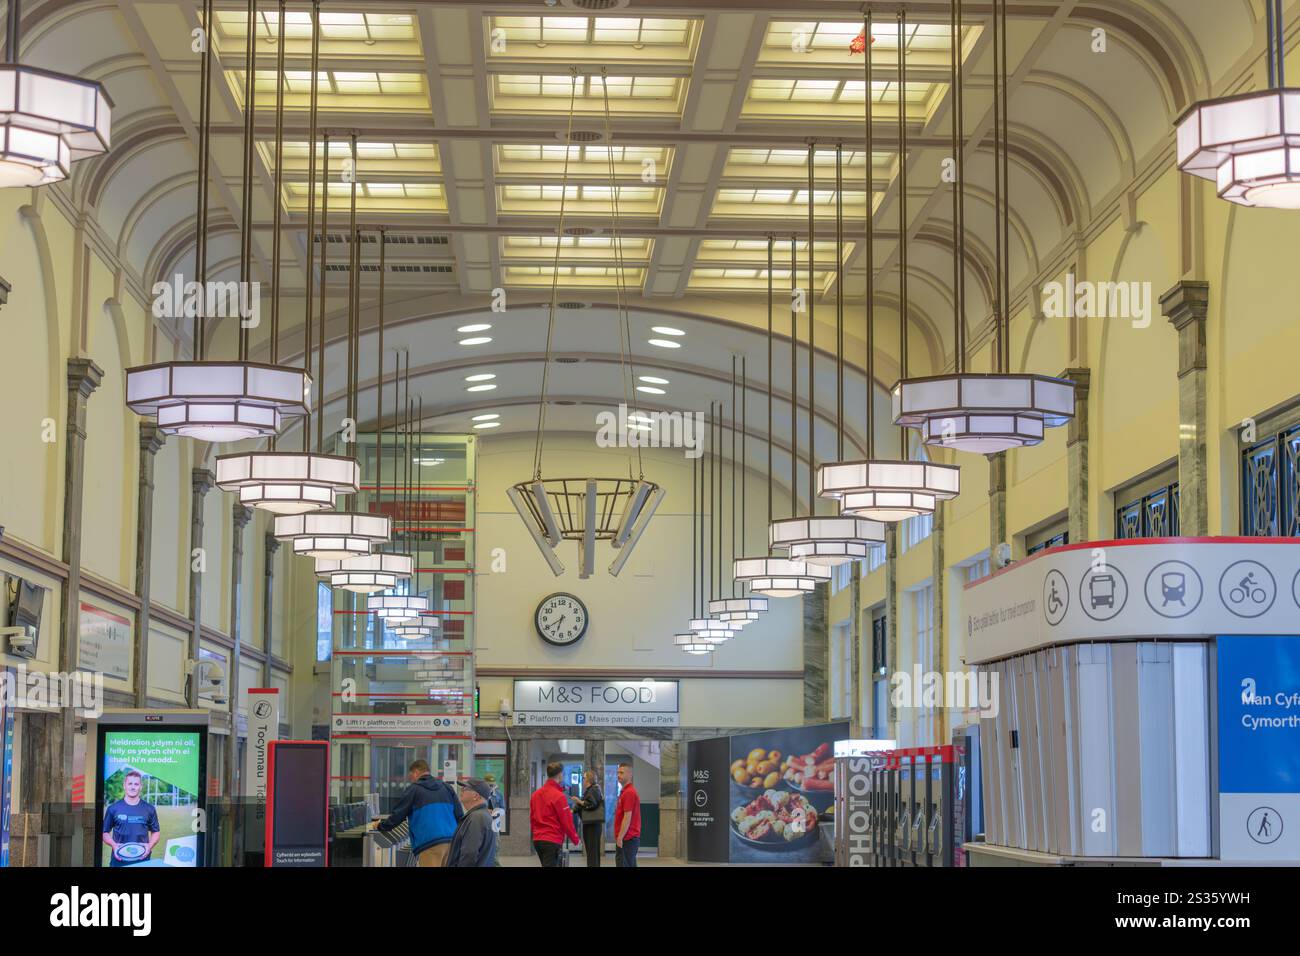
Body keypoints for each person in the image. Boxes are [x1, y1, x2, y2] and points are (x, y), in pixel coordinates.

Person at [374, 759, 463, 867]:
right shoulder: (447, 788)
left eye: (410, 775)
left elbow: (398, 815)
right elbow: (459, 815)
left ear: (416, 772)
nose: (411, 779)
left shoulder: (414, 790)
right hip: (451, 841)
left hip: (430, 842)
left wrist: (381, 826)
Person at [102, 769, 161, 867]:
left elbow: (156, 832)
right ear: (124, 786)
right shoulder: (113, 809)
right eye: (130, 784)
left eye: (136, 784)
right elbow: (104, 833)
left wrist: (149, 846)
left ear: (140, 787)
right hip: (119, 860)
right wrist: (114, 845)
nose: (133, 787)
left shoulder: (149, 809)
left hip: (143, 860)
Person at [529, 761, 579, 867]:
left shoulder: (535, 795)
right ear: (560, 774)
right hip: (552, 840)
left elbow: (532, 818)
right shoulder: (559, 796)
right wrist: (575, 839)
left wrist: (535, 834)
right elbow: (566, 821)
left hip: (538, 840)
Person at [444, 778, 498, 867]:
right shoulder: (481, 815)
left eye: (465, 788)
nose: (461, 790)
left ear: (476, 796)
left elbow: (469, 854)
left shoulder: (476, 818)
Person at [571, 769, 605, 867]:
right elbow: (582, 804)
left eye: (584, 778)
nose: (583, 780)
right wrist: (573, 810)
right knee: (591, 851)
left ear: (589, 779)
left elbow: (591, 804)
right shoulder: (590, 790)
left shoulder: (594, 789)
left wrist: (579, 801)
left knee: (592, 852)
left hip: (593, 825)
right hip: (590, 824)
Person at [614, 762, 641, 868]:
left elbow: (627, 817)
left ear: (630, 774)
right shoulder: (625, 792)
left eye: (621, 772)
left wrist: (620, 837)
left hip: (628, 838)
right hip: (628, 838)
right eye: (618, 772)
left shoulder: (629, 792)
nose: (618, 775)